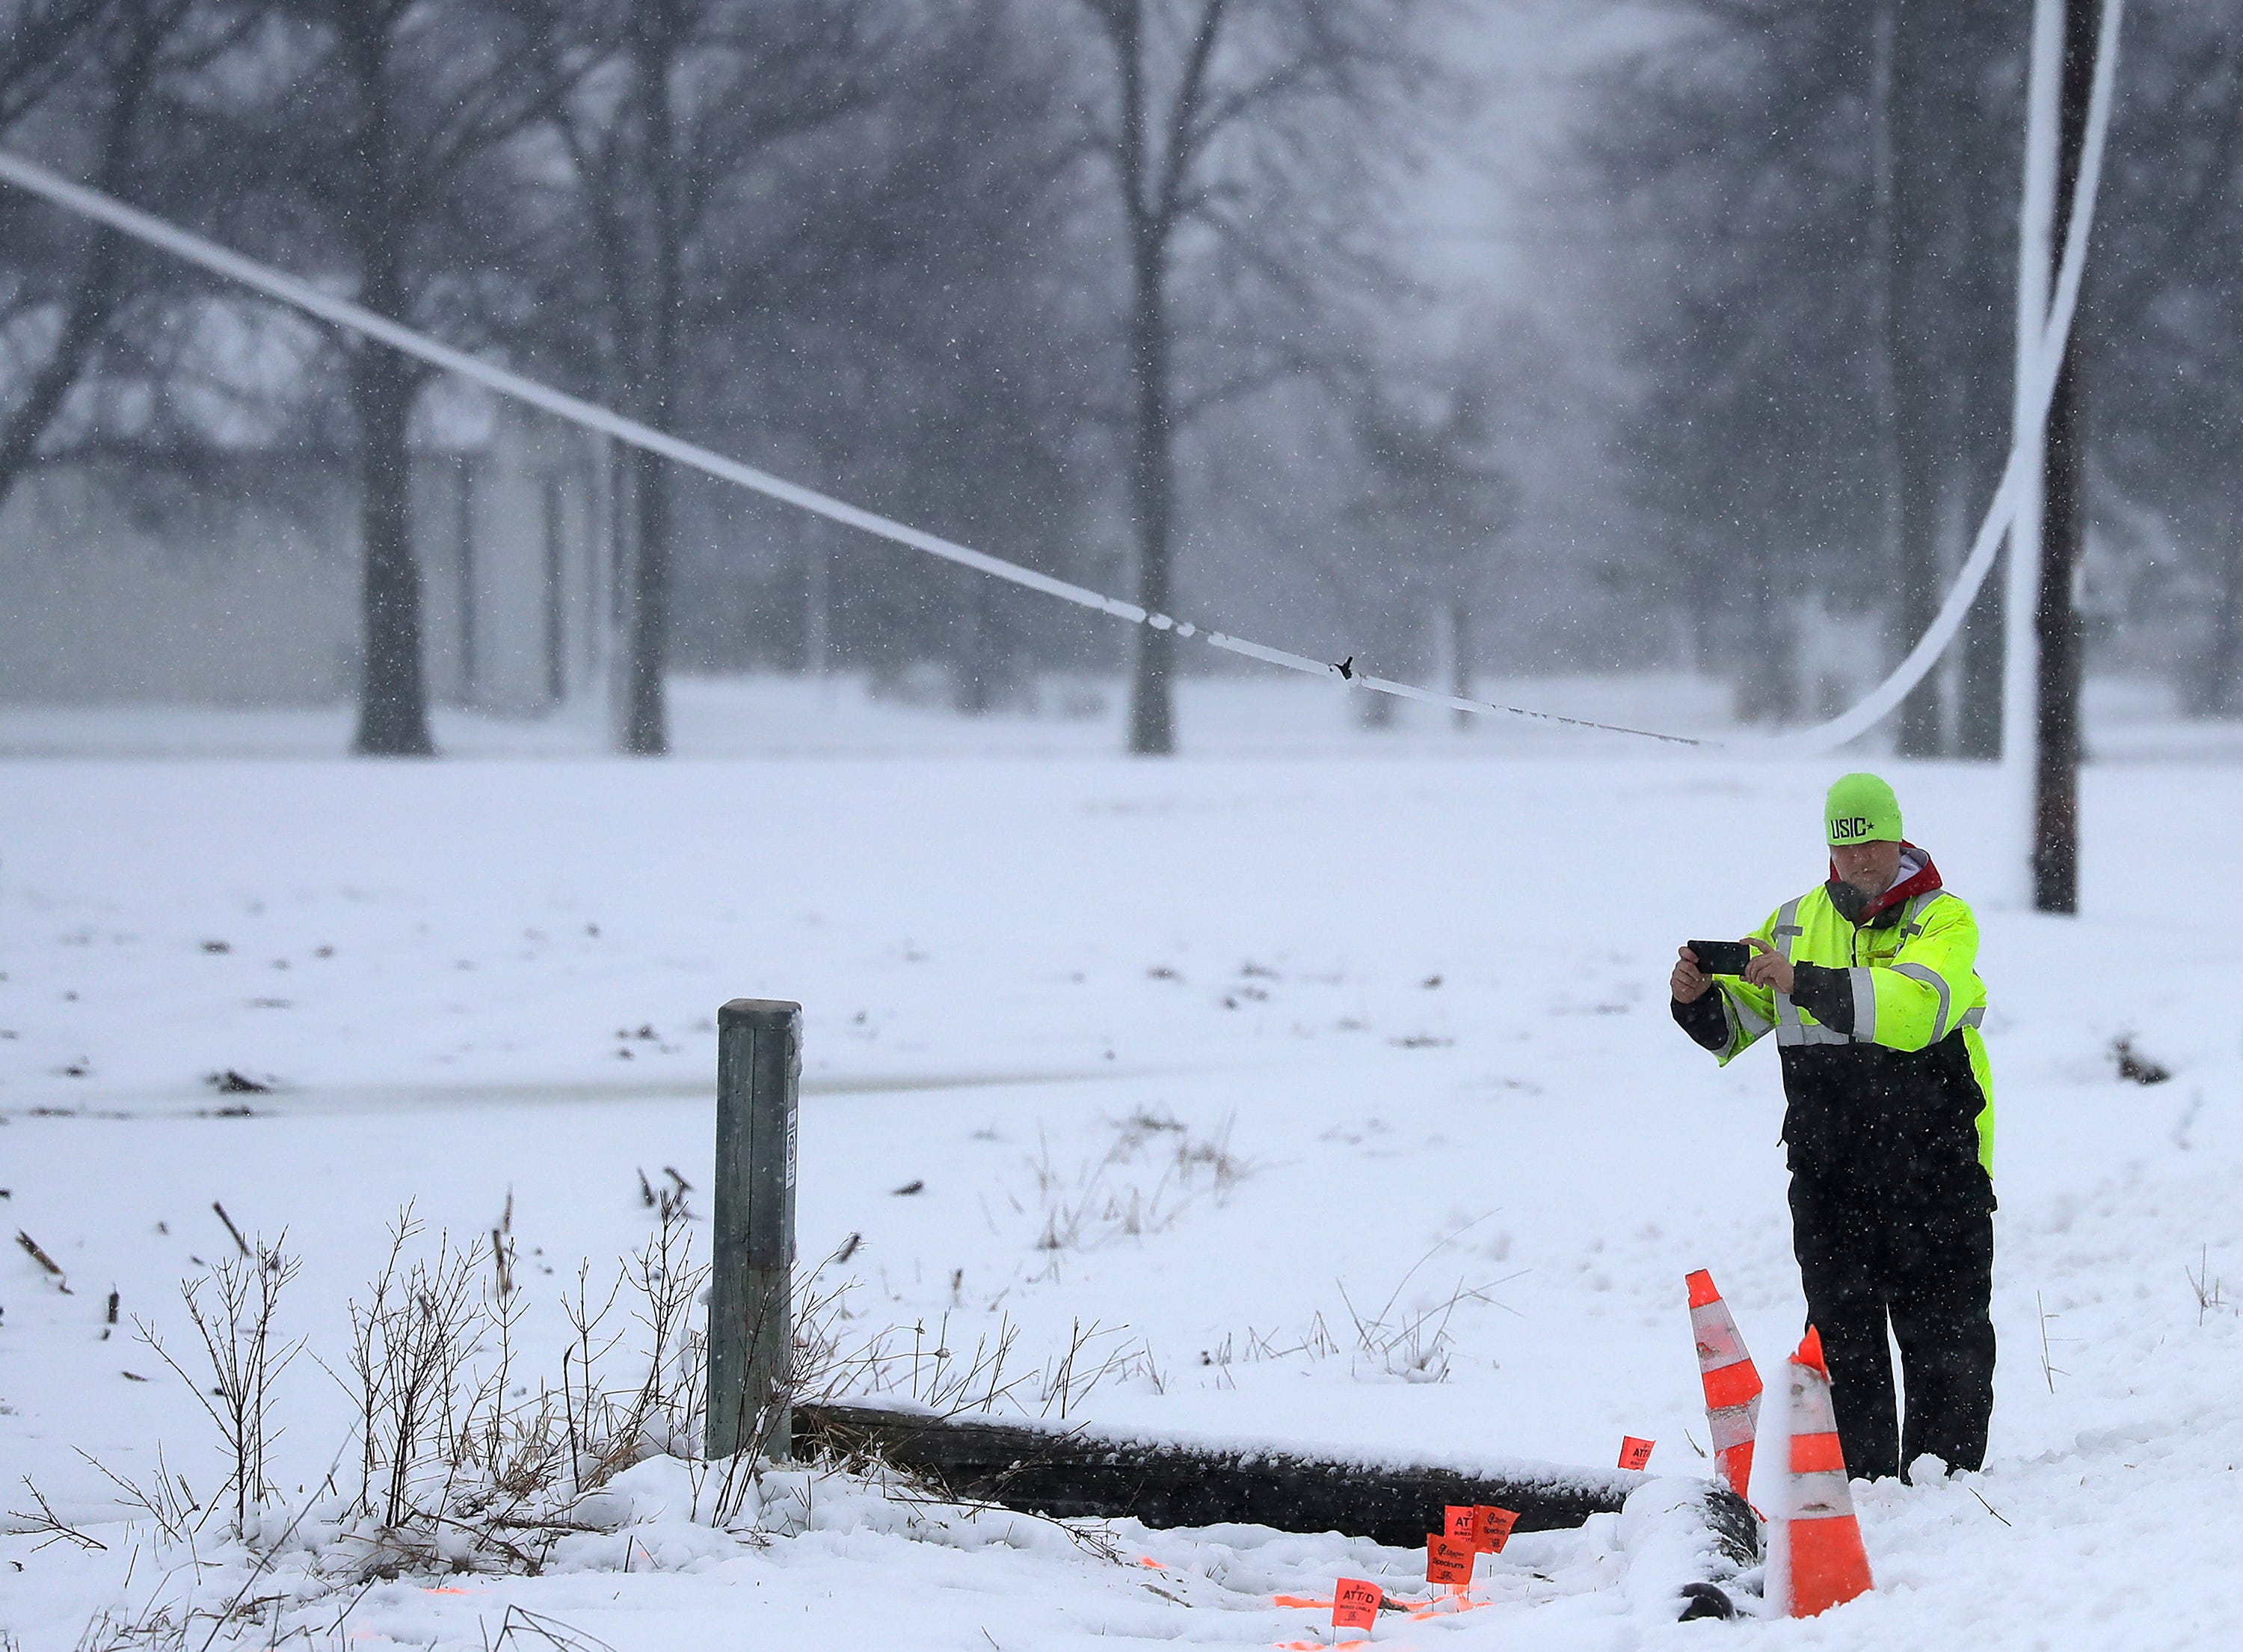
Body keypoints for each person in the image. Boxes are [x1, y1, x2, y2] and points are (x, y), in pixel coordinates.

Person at [1670, 773, 1996, 1483]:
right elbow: (1735, 1026)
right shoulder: (1792, 923)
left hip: (1936, 1162)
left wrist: (1805, 982)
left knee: (1943, 1332)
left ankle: (1949, 1488)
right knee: (1841, 1337)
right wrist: (1695, 1000)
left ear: (1897, 838)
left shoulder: (1945, 919)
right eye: (1844, 848)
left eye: (1871, 843)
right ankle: (1857, 1486)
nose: (1859, 861)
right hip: (1830, 1172)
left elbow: (1913, 1008)